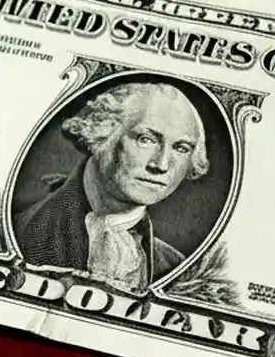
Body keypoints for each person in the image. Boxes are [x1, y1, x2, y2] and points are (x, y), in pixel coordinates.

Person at [15, 82, 208, 290]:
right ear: (101, 134)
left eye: (181, 148)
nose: (161, 165)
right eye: (146, 139)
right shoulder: (23, 229)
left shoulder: (175, 267)